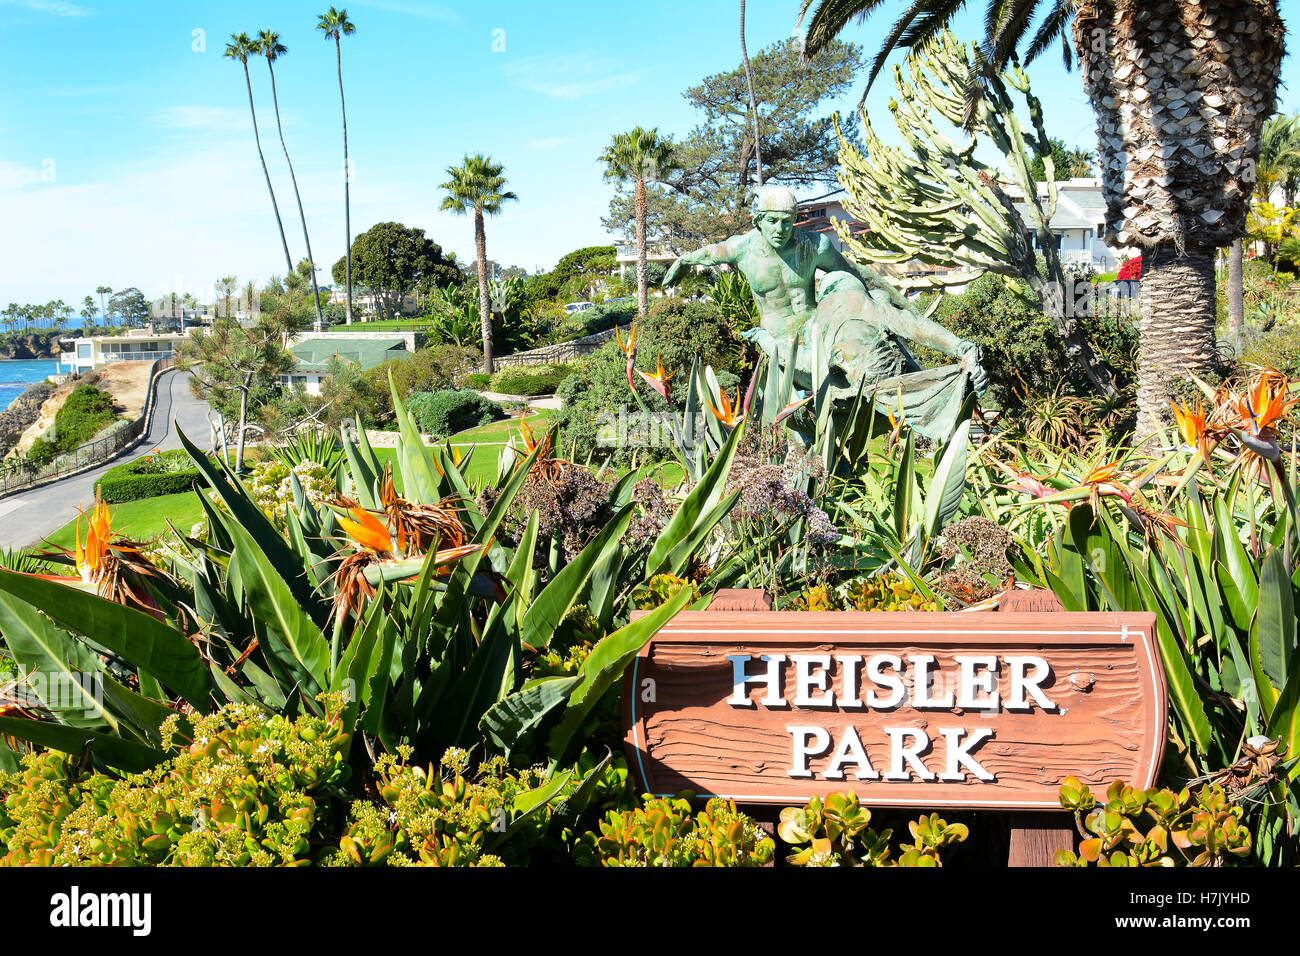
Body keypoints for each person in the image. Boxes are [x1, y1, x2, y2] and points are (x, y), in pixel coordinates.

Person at [663, 185, 987, 440]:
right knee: (792, 431)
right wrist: (681, 262)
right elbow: (708, 253)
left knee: (869, 306)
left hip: (817, 332)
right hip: (780, 347)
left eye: (787, 222)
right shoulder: (743, 248)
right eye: (772, 222)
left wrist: (887, 298)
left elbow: (854, 275)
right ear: (758, 220)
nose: (780, 229)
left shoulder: (815, 246)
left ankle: (934, 389)